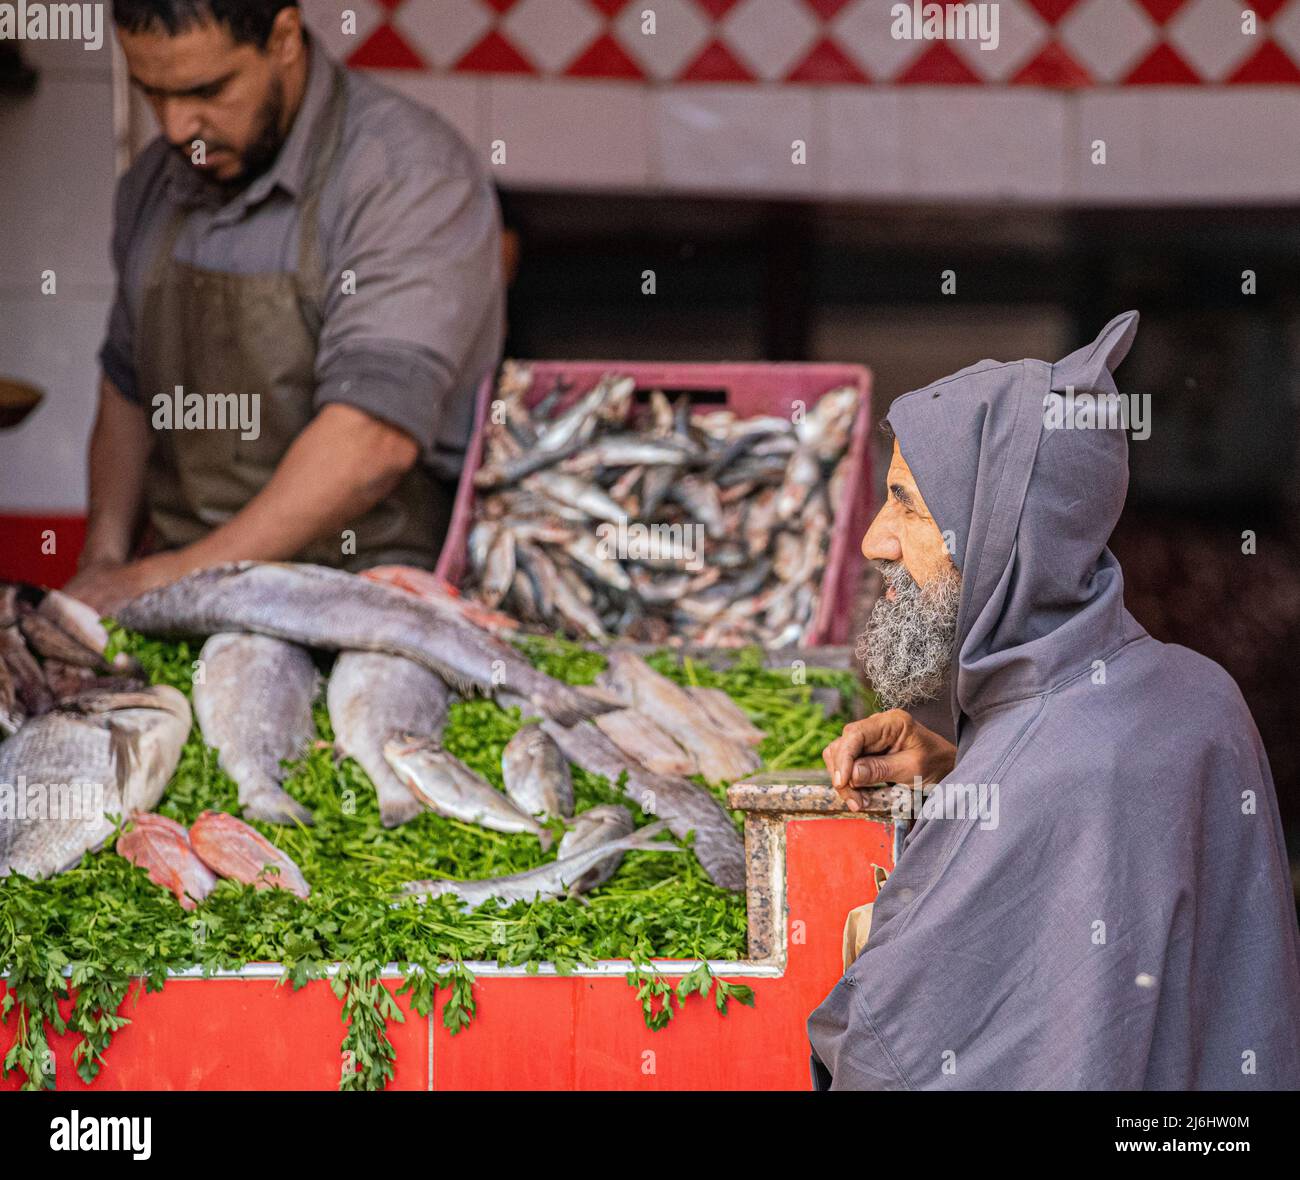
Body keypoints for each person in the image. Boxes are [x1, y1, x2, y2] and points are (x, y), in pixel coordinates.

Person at [812, 311, 1300, 1089]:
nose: (875, 539)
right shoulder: (1202, 693)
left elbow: (883, 1054)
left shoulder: (1040, 775)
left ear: (1003, 529)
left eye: (906, 502)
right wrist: (971, 753)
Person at [66, 0, 503, 612]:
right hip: (179, 605)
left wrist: (162, 579)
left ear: (286, 39)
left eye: (206, 90)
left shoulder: (408, 175)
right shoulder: (155, 182)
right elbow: (127, 388)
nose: (175, 127)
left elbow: (372, 439)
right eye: (152, 93)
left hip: (370, 604)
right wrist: (104, 563)